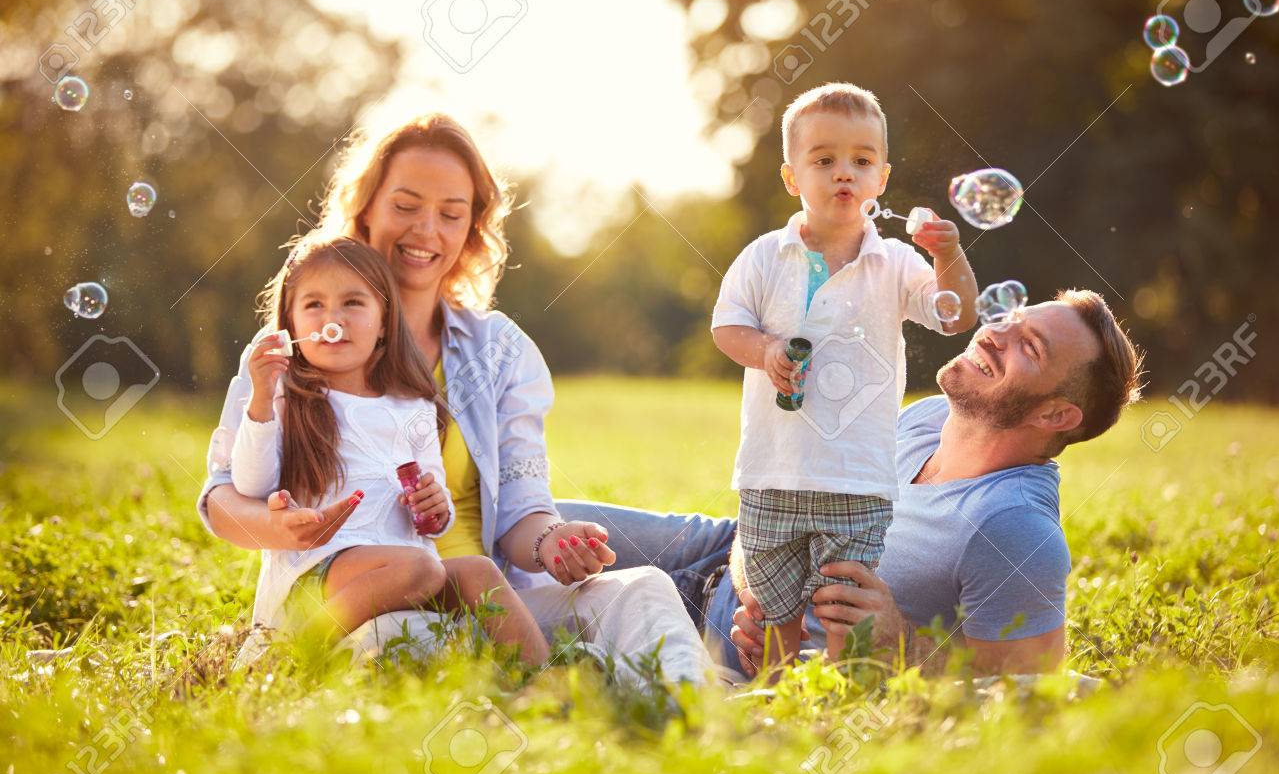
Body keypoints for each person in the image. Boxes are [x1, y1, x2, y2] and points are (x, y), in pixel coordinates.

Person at [199, 113, 711, 684]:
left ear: (472, 230)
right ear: (366, 208)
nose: (426, 231)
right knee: (404, 642)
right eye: (406, 205)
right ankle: (533, 706)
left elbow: (522, 509)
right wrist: (278, 528)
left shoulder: (499, 350)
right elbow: (223, 495)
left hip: (489, 606)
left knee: (643, 588)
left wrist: (550, 540)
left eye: (450, 214)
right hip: (362, 606)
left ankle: (688, 722)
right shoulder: (291, 351)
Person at [560, 290, 1143, 677]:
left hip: (732, 653)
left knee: (541, 606)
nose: (995, 333)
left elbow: (1022, 703)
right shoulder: (931, 416)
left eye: (1029, 347)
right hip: (719, 550)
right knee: (529, 523)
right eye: (1010, 320)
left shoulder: (1015, 531)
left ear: (1056, 416)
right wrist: (761, 585)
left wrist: (898, 646)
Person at [710, 82, 977, 666]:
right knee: (775, 597)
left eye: (861, 161)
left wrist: (947, 255)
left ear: (882, 179)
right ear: (791, 179)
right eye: (824, 160)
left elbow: (954, 315)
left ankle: (840, 679)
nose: (843, 175)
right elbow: (726, 326)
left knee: (843, 595)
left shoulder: (896, 262)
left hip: (857, 473)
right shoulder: (763, 256)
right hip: (773, 467)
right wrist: (764, 351)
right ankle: (775, 683)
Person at [228, 233, 549, 663]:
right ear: (291, 327)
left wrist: (437, 508)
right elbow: (249, 485)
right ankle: (294, 651)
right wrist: (262, 400)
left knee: (479, 572)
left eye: (353, 303)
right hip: (318, 574)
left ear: (384, 323)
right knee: (420, 567)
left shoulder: (413, 405)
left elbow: (434, 518)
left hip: (411, 571)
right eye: (314, 305)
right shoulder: (289, 399)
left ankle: (543, 680)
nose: (333, 318)